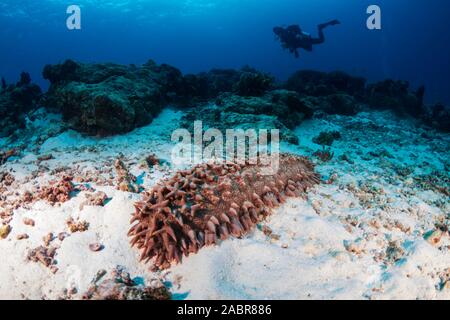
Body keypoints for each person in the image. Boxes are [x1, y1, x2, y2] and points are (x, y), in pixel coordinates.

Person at [273, 20, 340, 58]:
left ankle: (320, 27)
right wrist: (294, 50)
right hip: (303, 42)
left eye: (277, 32)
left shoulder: (285, 34)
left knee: (321, 41)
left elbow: (292, 43)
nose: (278, 33)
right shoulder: (284, 37)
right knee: (311, 49)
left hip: (304, 41)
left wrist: (293, 49)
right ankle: (320, 28)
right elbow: (292, 45)